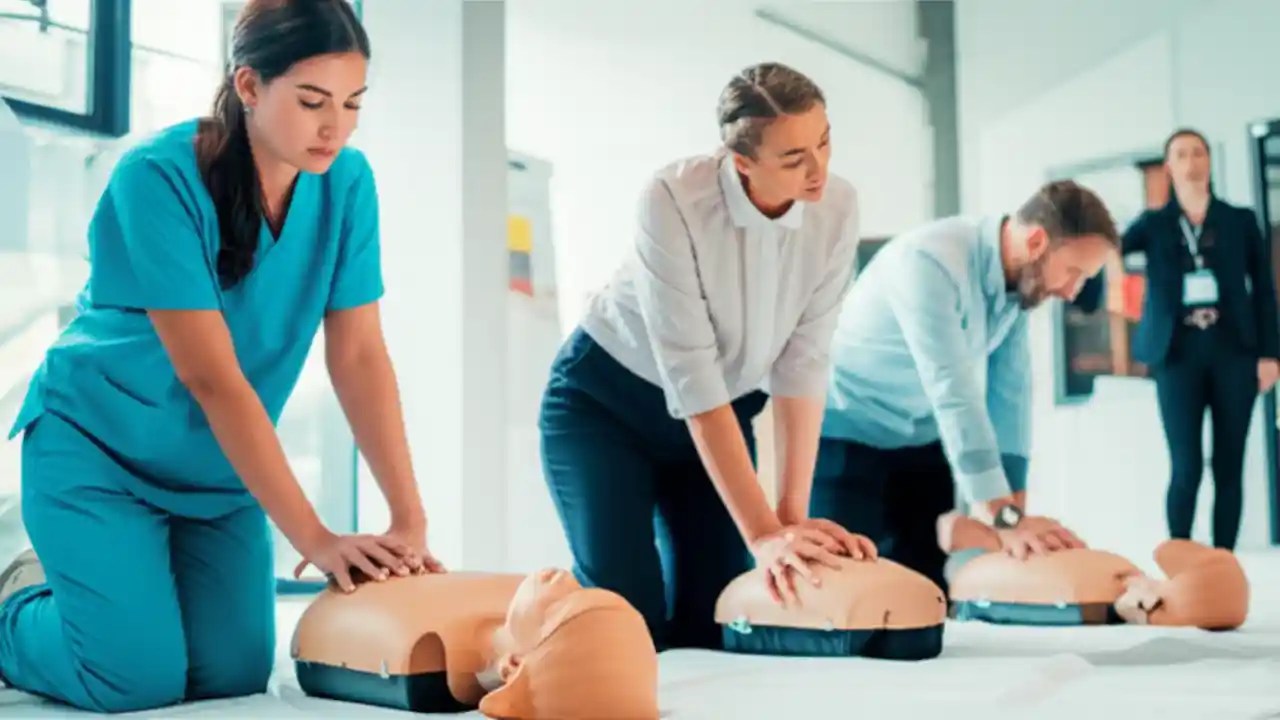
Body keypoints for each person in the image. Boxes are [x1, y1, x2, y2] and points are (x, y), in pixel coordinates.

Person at [0, 0, 443, 713]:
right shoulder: (156, 176)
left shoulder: (348, 184)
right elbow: (211, 378)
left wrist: (408, 521)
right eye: (312, 101)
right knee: (134, 680)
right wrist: (314, 537)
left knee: (230, 676)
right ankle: (16, 602)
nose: (335, 126)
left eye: (353, 103)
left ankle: (113, 594)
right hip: (100, 451)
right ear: (248, 86)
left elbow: (359, 354)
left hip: (216, 472)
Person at [538, 62, 877, 652]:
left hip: (722, 413)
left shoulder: (837, 206)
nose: (818, 168)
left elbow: (803, 362)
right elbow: (692, 376)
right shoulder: (672, 198)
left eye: (824, 142)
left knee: (718, 614)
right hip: (606, 407)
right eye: (794, 158)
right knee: (630, 616)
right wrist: (762, 532)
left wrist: (789, 518)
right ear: (742, 161)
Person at [812, 181, 1118, 592]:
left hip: (921, 441)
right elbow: (953, 391)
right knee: (841, 589)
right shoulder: (930, 262)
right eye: (1073, 273)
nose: (1070, 292)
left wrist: (1016, 522)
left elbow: (1011, 400)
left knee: (922, 595)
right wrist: (1004, 520)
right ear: (1036, 242)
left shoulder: (1018, 288)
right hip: (848, 433)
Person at [1075, 129, 1280, 551]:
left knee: (1229, 466)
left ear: (1209, 160)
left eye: (1198, 153)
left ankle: (1223, 561)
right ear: (1169, 166)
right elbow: (1110, 247)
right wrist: (1087, 280)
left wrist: (1270, 355)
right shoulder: (1154, 224)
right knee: (1186, 466)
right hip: (1176, 355)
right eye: (1181, 154)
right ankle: (1180, 559)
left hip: (1233, 352)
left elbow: (1264, 289)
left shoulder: (1239, 220)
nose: (1191, 162)